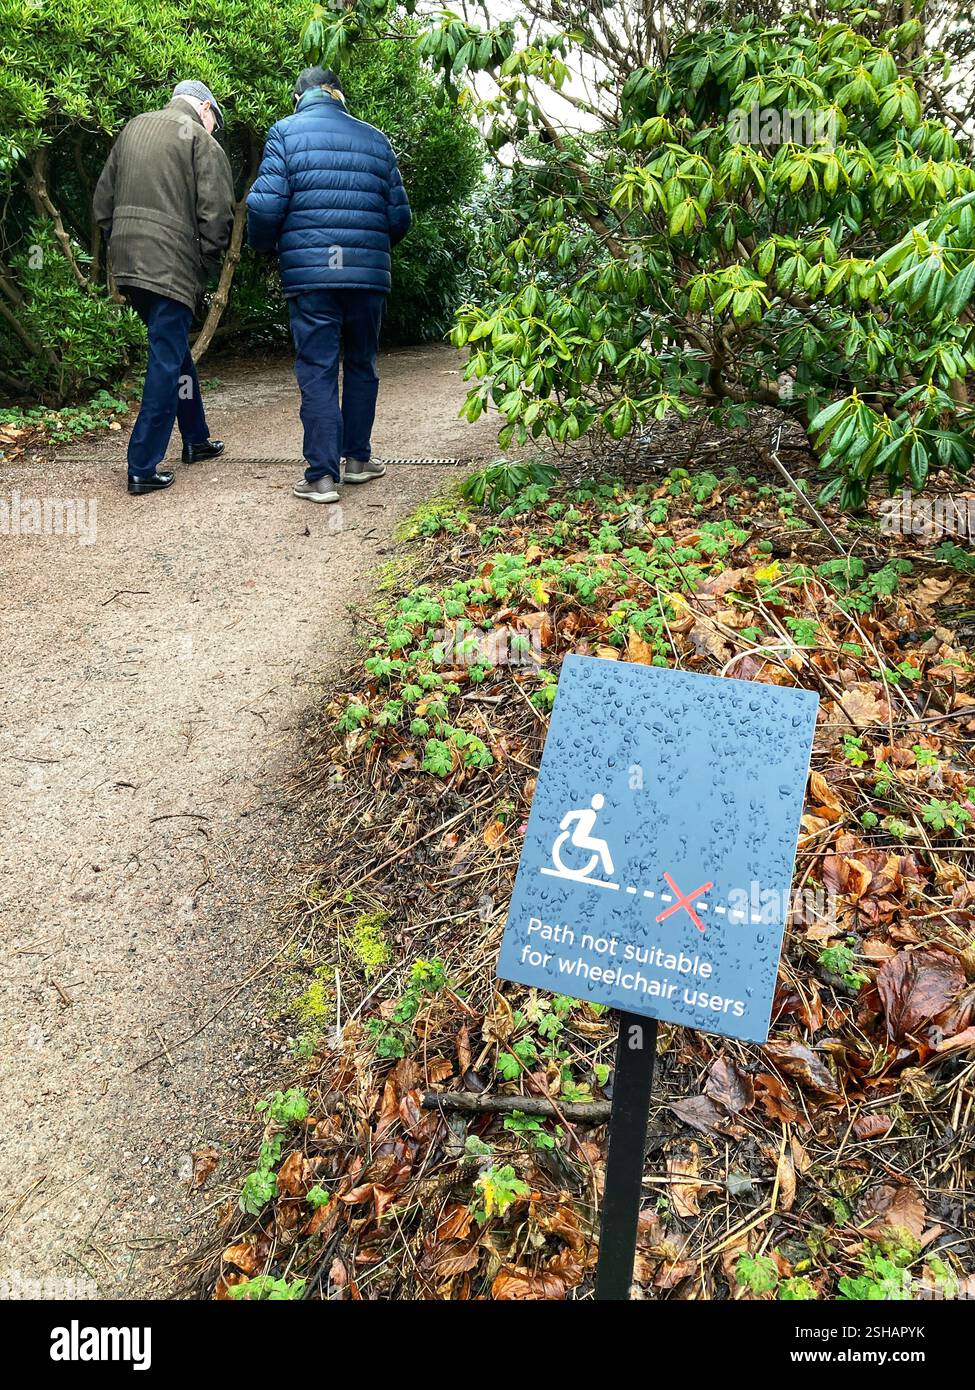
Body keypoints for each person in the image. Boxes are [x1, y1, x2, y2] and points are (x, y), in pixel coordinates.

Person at [246, 67, 412, 504]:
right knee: (361, 363)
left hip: (311, 275)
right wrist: (368, 249)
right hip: (366, 277)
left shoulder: (284, 134)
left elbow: (263, 207)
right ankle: (357, 460)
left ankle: (321, 477)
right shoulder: (375, 139)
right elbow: (399, 217)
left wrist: (267, 248)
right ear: (338, 94)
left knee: (317, 368)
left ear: (298, 97)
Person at [94, 81, 234, 495]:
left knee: (171, 348)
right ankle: (142, 465)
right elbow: (217, 216)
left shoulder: (134, 127)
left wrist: (121, 242)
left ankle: (196, 438)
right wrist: (205, 263)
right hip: (170, 265)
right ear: (205, 109)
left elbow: (103, 204)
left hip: (129, 262)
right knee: (165, 360)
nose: (213, 128)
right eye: (215, 121)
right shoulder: (201, 141)